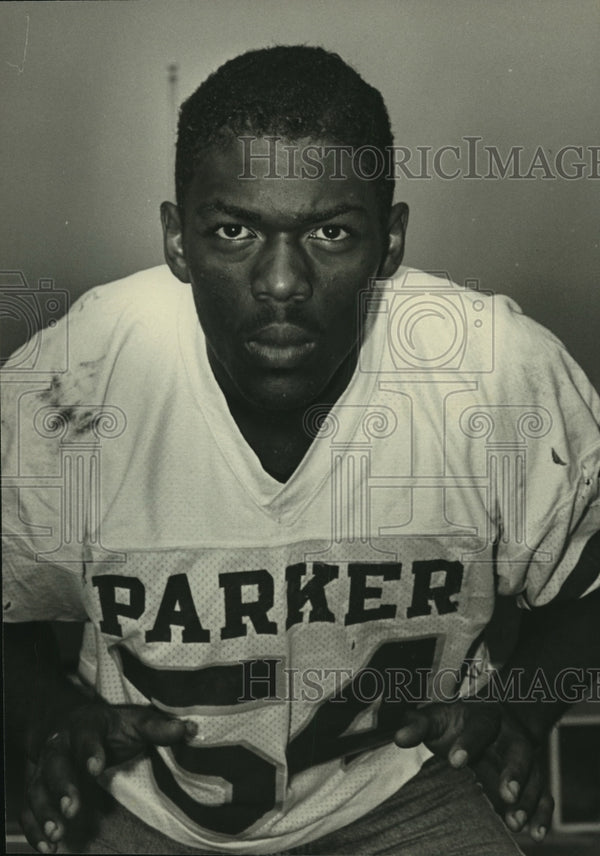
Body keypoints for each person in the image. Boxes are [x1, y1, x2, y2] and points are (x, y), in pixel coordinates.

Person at [2, 45, 599, 856]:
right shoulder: (69, 387)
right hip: (145, 799)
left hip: (402, 789)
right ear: (178, 240)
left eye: (330, 231)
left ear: (388, 243)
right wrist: (52, 715)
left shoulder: (496, 373)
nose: (281, 281)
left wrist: (520, 709)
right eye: (233, 229)